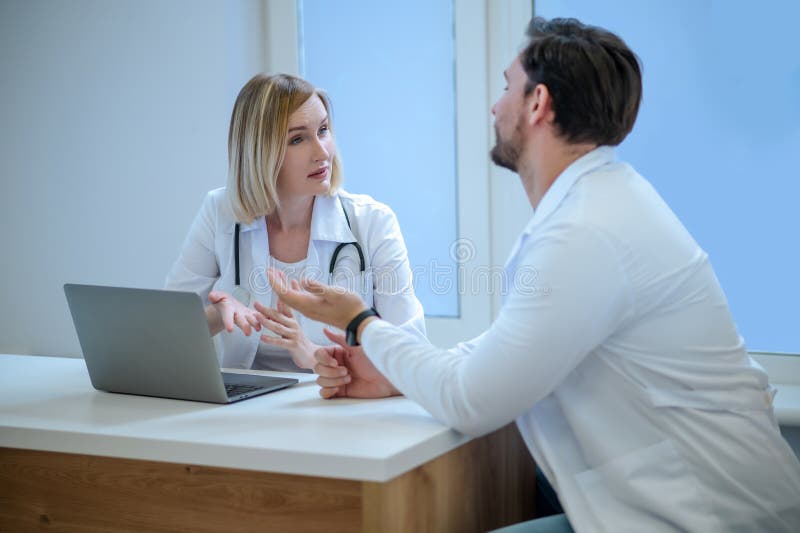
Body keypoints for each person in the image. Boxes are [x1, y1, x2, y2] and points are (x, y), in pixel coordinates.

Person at [265, 17, 800, 533]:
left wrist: (361, 323)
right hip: (675, 503)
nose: (495, 105)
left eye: (506, 88)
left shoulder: (587, 231)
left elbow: (468, 401)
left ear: (538, 103)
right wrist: (392, 373)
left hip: (716, 519)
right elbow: (506, 349)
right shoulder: (602, 202)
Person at [165, 73, 425, 372]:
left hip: (341, 403)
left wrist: (313, 353)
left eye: (324, 130)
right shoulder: (220, 212)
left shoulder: (372, 222)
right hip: (243, 408)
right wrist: (216, 315)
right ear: (260, 152)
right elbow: (166, 332)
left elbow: (412, 351)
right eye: (298, 139)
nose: (322, 151)